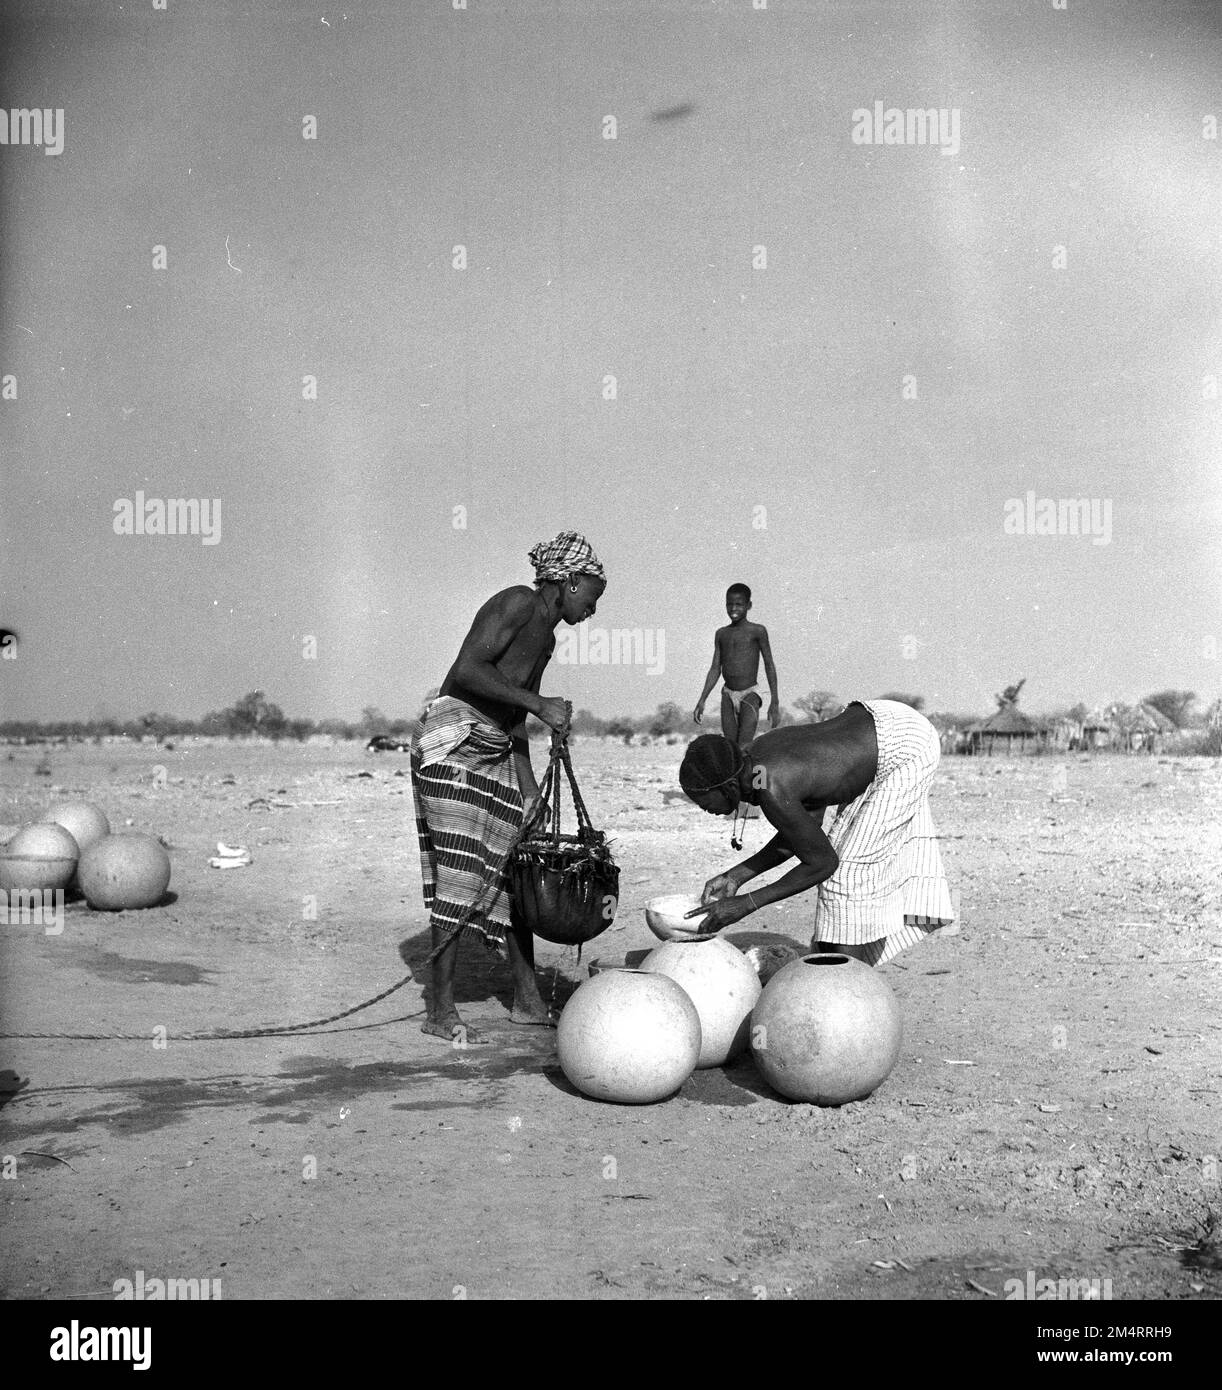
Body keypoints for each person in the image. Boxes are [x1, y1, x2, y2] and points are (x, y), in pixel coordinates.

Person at [411, 531, 606, 1043]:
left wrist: (528, 789)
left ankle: (525, 999)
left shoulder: (547, 636)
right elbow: (467, 670)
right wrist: (542, 706)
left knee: (511, 864)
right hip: (456, 740)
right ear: (569, 580)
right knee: (459, 870)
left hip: (496, 748)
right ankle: (440, 1010)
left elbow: (516, 712)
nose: (592, 609)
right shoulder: (518, 602)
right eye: (592, 595)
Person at [675, 699, 955, 965]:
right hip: (884, 720)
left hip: (905, 747)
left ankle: (846, 984)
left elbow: (822, 862)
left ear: (727, 787)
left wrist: (747, 903)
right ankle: (826, 964)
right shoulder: (757, 762)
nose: (703, 808)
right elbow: (801, 834)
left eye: (703, 800)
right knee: (843, 866)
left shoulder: (771, 785)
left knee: (848, 874)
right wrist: (736, 876)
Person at [692, 584, 780, 749]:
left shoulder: (757, 631)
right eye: (729, 604)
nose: (733, 608)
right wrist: (702, 699)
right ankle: (733, 775)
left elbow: (769, 664)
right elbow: (715, 668)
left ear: (749, 605)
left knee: (744, 746)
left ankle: (748, 775)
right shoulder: (721, 634)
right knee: (731, 747)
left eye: (739, 604)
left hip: (749, 694)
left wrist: (774, 702)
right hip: (727, 694)